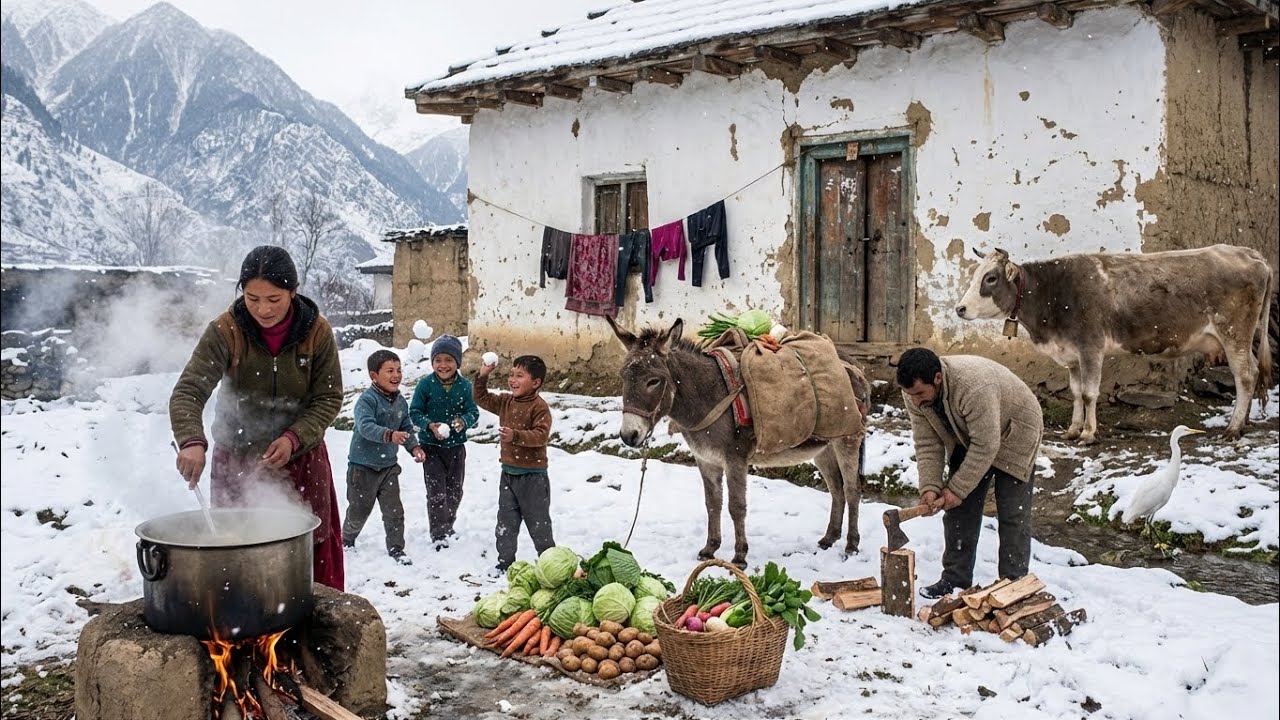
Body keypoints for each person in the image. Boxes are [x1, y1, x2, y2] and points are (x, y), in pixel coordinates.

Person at [170, 246, 345, 590]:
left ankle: (315, 628)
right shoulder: (226, 331)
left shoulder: (317, 332)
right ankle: (244, 632)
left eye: (274, 299)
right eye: (252, 298)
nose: (263, 309)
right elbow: (188, 391)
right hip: (237, 458)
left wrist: (294, 438)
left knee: (310, 548)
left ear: (293, 292)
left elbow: (328, 397)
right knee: (238, 551)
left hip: (301, 460)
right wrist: (191, 441)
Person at [895, 348, 1044, 599]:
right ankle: (955, 579)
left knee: (1012, 515)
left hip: (1017, 430)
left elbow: (987, 445)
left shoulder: (973, 386)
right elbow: (927, 443)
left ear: (938, 378)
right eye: (911, 394)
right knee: (959, 512)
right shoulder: (914, 394)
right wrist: (930, 487)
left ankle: (1012, 585)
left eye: (920, 393)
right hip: (970, 434)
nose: (916, 400)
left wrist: (957, 489)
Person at [343, 349, 426, 564]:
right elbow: (365, 427)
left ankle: (397, 548)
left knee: (394, 511)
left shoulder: (400, 402)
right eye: (389, 371)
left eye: (398, 370)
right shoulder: (367, 401)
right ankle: (346, 538)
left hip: (388, 466)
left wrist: (414, 447)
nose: (396, 375)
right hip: (363, 468)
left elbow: (405, 426)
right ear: (373, 376)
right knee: (359, 511)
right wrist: (389, 435)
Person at [473, 354, 554, 573]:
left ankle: (550, 563)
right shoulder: (505, 401)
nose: (512, 380)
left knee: (539, 524)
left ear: (535, 383)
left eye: (519, 375)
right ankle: (505, 562)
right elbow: (481, 398)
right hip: (508, 474)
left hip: (533, 477)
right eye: (511, 374)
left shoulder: (539, 407)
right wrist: (482, 375)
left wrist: (515, 436)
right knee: (506, 522)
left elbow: (541, 435)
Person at [408, 335, 479, 549]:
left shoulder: (465, 386)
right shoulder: (425, 385)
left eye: (448, 359)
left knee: (455, 489)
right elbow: (415, 412)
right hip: (431, 447)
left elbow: (473, 412)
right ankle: (438, 532)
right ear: (432, 362)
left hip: (456, 448)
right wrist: (430, 425)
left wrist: (463, 421)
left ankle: (449, 524)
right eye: (438, 360)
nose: (443, 365)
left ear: (457, 362)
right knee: (436, 491)